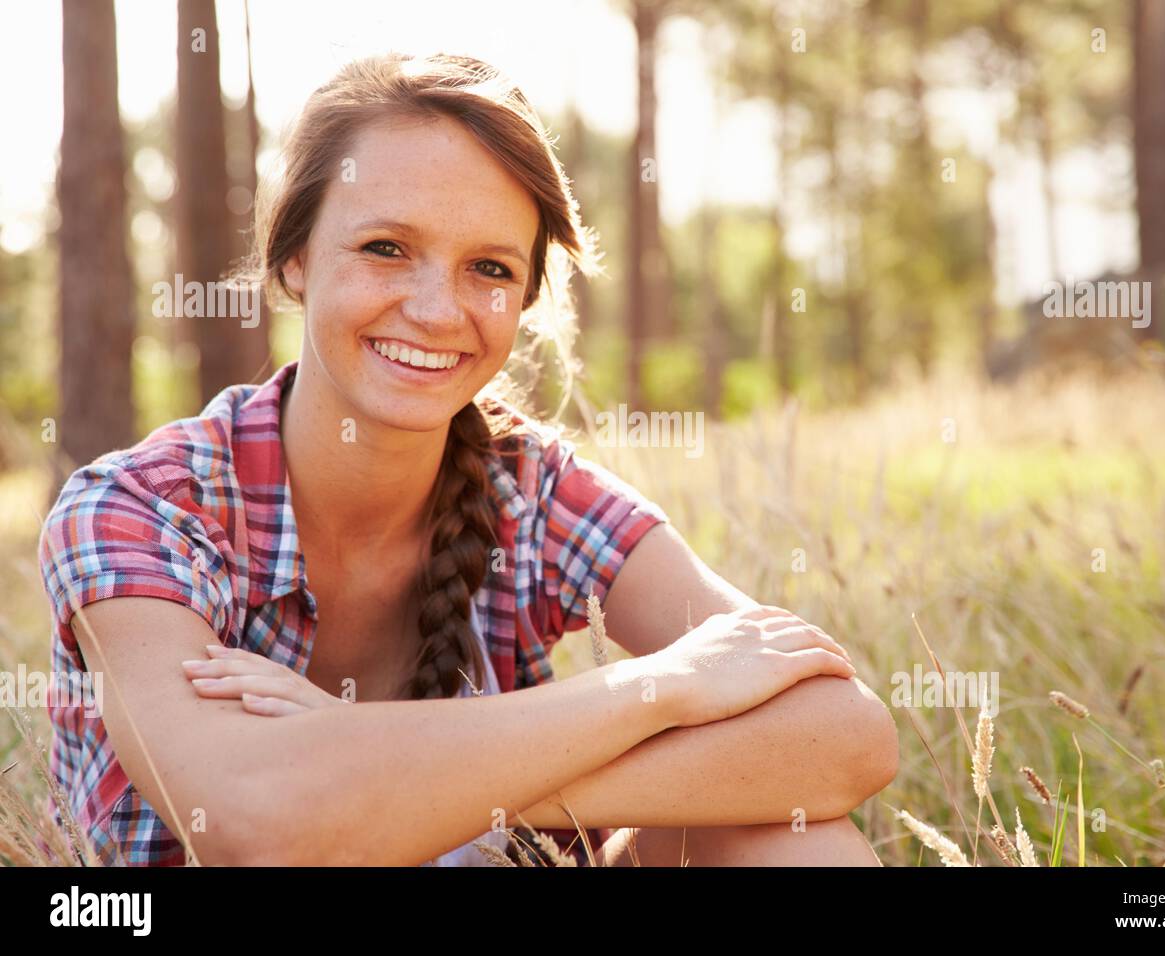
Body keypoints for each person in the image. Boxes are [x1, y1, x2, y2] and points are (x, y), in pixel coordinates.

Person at [38, 53, 897, 867]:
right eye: (386, 248)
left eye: (488, 267)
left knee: (793, 840)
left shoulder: (533, 488)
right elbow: (246, 820)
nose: (436, 309)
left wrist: (361, 762)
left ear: (524, 300)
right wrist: (662, 690)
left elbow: (845, 734)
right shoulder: (143, 509)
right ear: (294, 257)